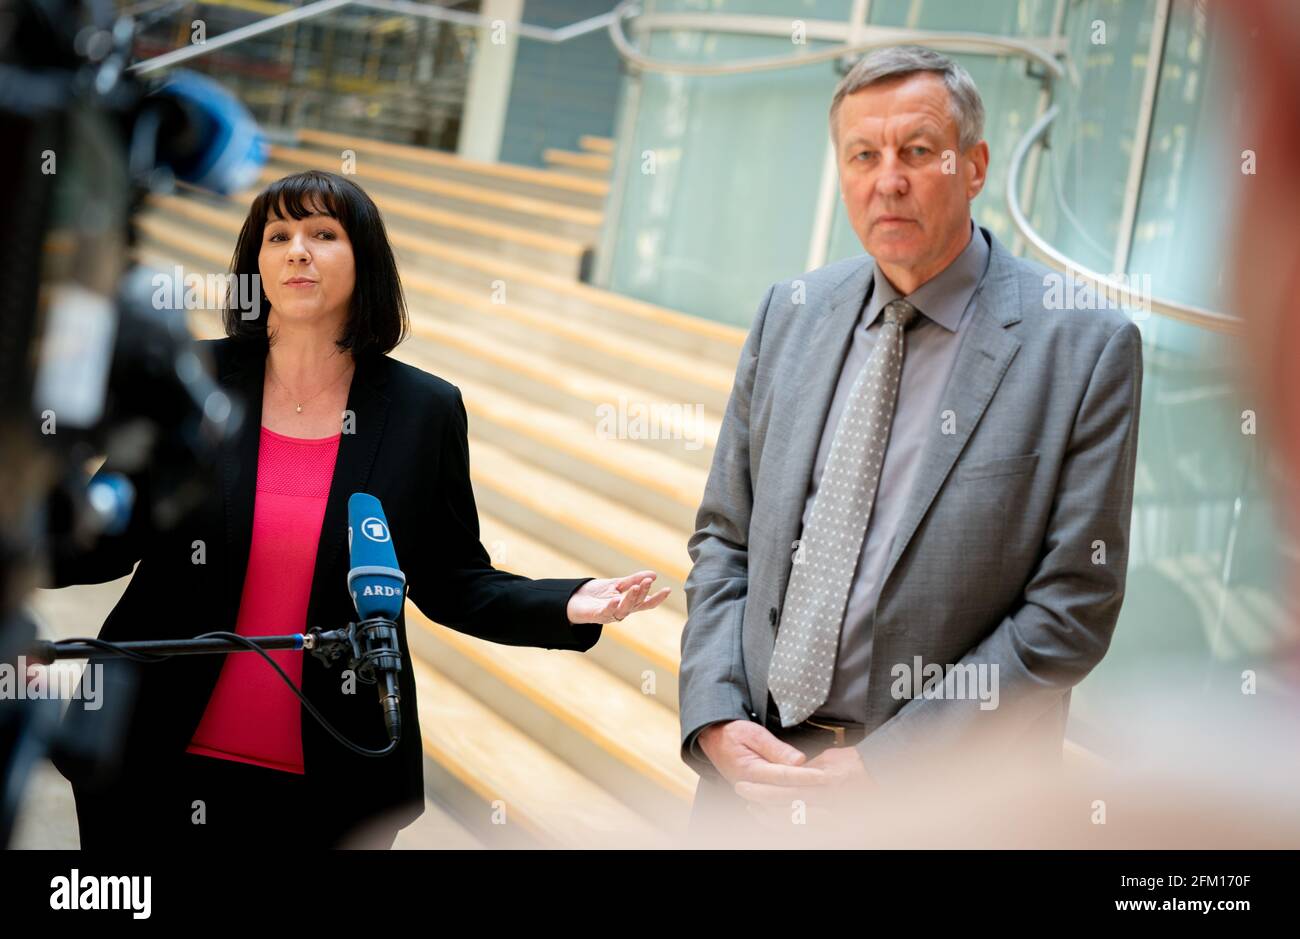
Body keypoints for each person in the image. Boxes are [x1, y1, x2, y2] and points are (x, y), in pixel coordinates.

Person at [48, 169, 669, 849]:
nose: (296, 250)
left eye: (323, 233)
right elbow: (103, 536)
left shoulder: (422, 411)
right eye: (277, 234)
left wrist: (572, 602)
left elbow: (451, 578)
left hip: (332, 779)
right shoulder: (192, 378)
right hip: (151, 757)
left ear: (364, 258)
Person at [678, 45, 1143, 841]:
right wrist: (715, 712)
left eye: (918, 152)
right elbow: (725, 539)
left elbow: (1071, 608)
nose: (887, 179)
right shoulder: (789, 312)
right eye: (864, 154)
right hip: (750, 785)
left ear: (974, 165)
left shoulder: (1085, 346)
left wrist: (892, 765)